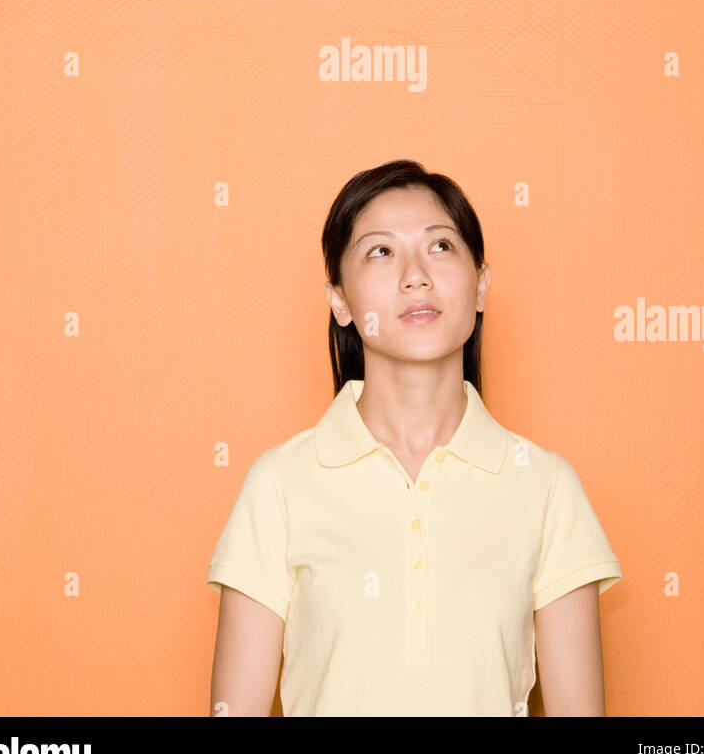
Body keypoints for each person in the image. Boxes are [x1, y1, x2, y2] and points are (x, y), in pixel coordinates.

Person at [207, 158, 623, 716]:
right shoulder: (279, 484)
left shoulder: (547, 488)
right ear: (340, 301)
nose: (415, 275)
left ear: (480, 285)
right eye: (381, 251)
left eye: (441, 247)